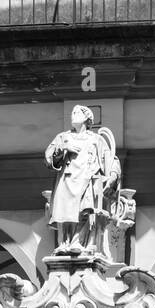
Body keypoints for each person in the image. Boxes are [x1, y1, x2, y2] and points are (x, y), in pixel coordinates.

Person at [44, 105, 120, 253]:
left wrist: (113, 175)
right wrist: (63, 148)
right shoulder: (63, 137)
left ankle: (77, 241)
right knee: (64, 211)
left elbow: (111, 159)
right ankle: (64, 243)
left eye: (77, 112)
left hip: (86, 179)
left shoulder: (96, 139)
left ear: (87, 118)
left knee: (83, 210)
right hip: (66, 179)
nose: (73, 115)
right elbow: (48, 158)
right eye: (72, 112)